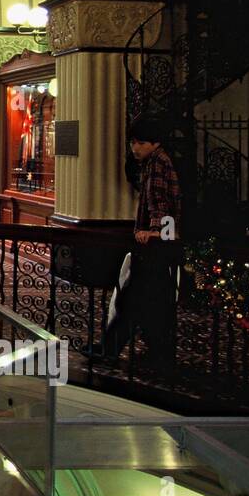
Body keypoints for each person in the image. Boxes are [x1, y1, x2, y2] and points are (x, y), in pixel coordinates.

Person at [92, 117, 183, 371]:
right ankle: (153, 352)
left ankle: (115, 349)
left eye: (139, 142)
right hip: (159, 246)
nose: (134, 148)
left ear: (154, 142)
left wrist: (155, 233)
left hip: (155, 248)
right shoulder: (157, 161)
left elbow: (161, 203)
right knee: (146, 302)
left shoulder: (157, 164)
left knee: (135, 301)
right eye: (132, 142)